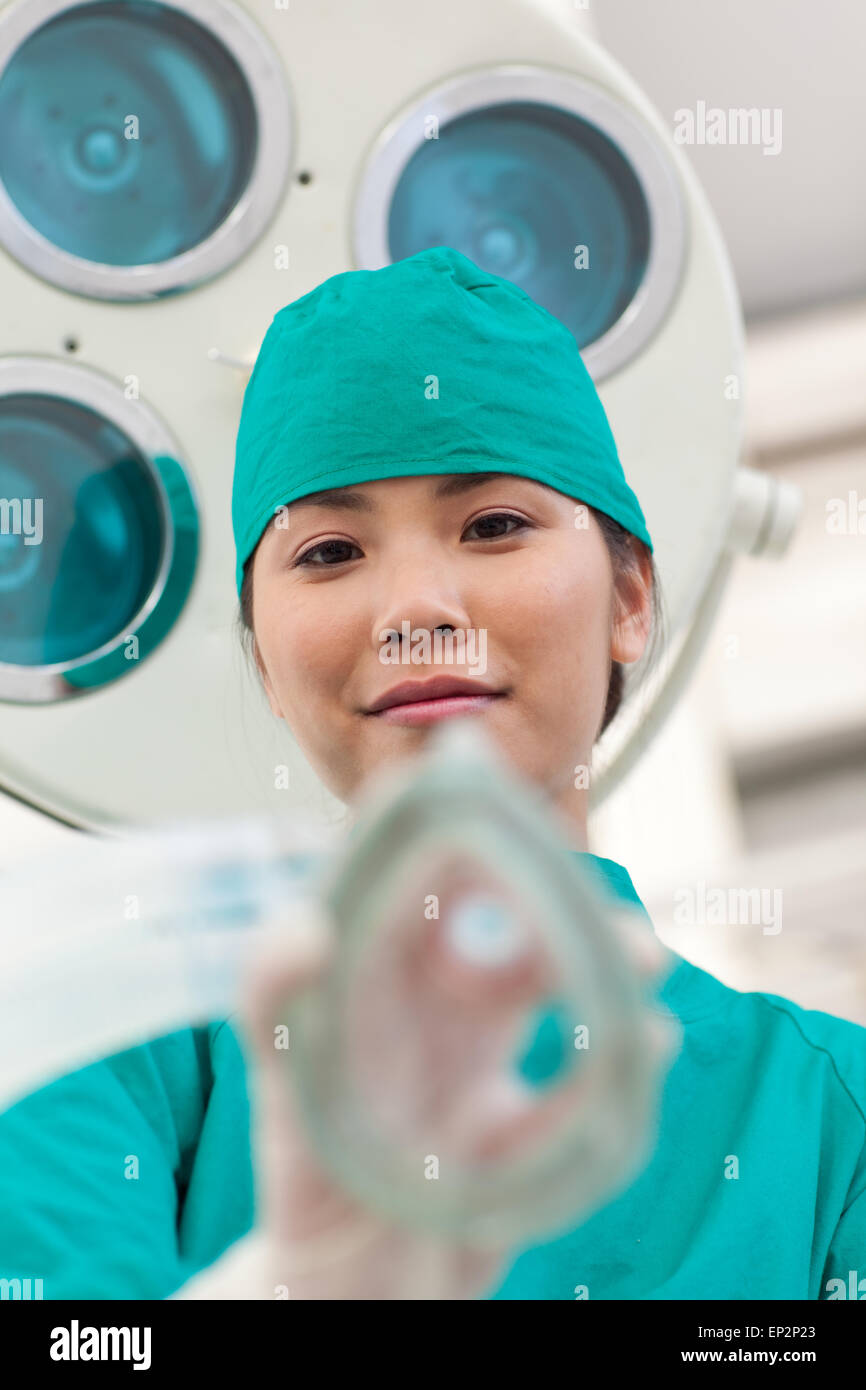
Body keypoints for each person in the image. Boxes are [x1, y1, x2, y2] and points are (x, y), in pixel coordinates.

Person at [0, 247, 864, 1300]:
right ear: (264, 658)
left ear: (629, 597)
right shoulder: (91, 1050)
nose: (413, 608)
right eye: (326, 552)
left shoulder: (825, 1124)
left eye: (493, 524)